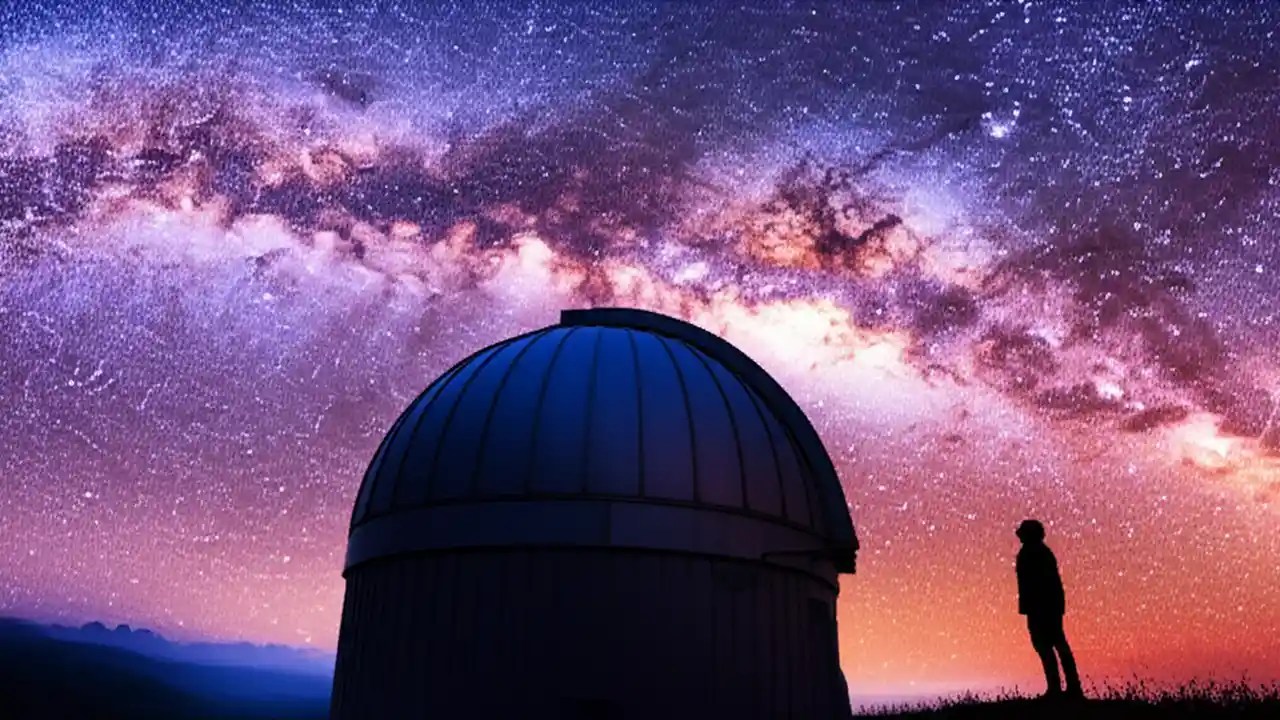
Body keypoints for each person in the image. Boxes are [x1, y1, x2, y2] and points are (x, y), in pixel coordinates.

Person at [1015, 519, 1083, 699]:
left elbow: (1040, 583)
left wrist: (1036, 606)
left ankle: (1062, 688)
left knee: (1049, 644)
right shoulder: (1037, 552)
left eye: (1022, 531)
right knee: (1051, 644)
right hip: (1044, 606)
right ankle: (1065, 687)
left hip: (1042, 607)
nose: (1018, 534)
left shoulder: (1034, 553)